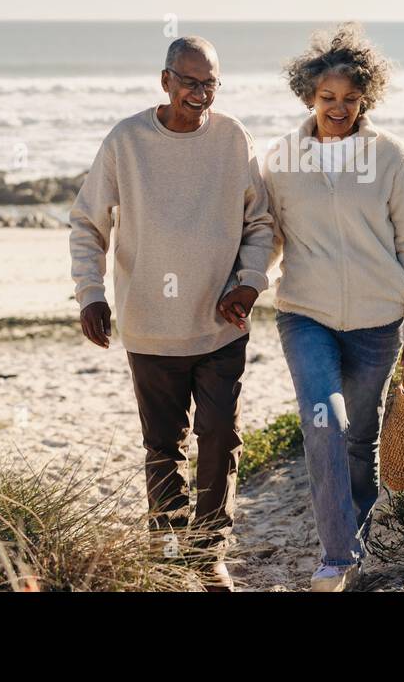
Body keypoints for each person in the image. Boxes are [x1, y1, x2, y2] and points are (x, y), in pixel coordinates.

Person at [69, 36, 273, 592]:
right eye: (189, 81)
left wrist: (251, 283)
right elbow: (89, 223)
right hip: (149, 326)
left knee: (219, 436)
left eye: (210, 83)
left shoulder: (234, 139)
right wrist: (90, 293)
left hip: (219, 322)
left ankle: (208, 553)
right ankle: (166, 548)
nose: (200, 93)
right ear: (165, 81)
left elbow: (260, 224)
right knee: (162, 445)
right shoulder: (126, 141)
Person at [260, 22, 404, 591]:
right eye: (327, 97)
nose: (338, 109)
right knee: (324, 423)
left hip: (378, 323)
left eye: (350, 99)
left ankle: (351, 536)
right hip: (304, 313)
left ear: (367, 99)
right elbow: (267, 235)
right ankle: (337, 555)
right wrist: (243, 282)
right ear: (308, 94)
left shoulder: (390, 157)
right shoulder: (282, 159)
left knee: (360, 438)